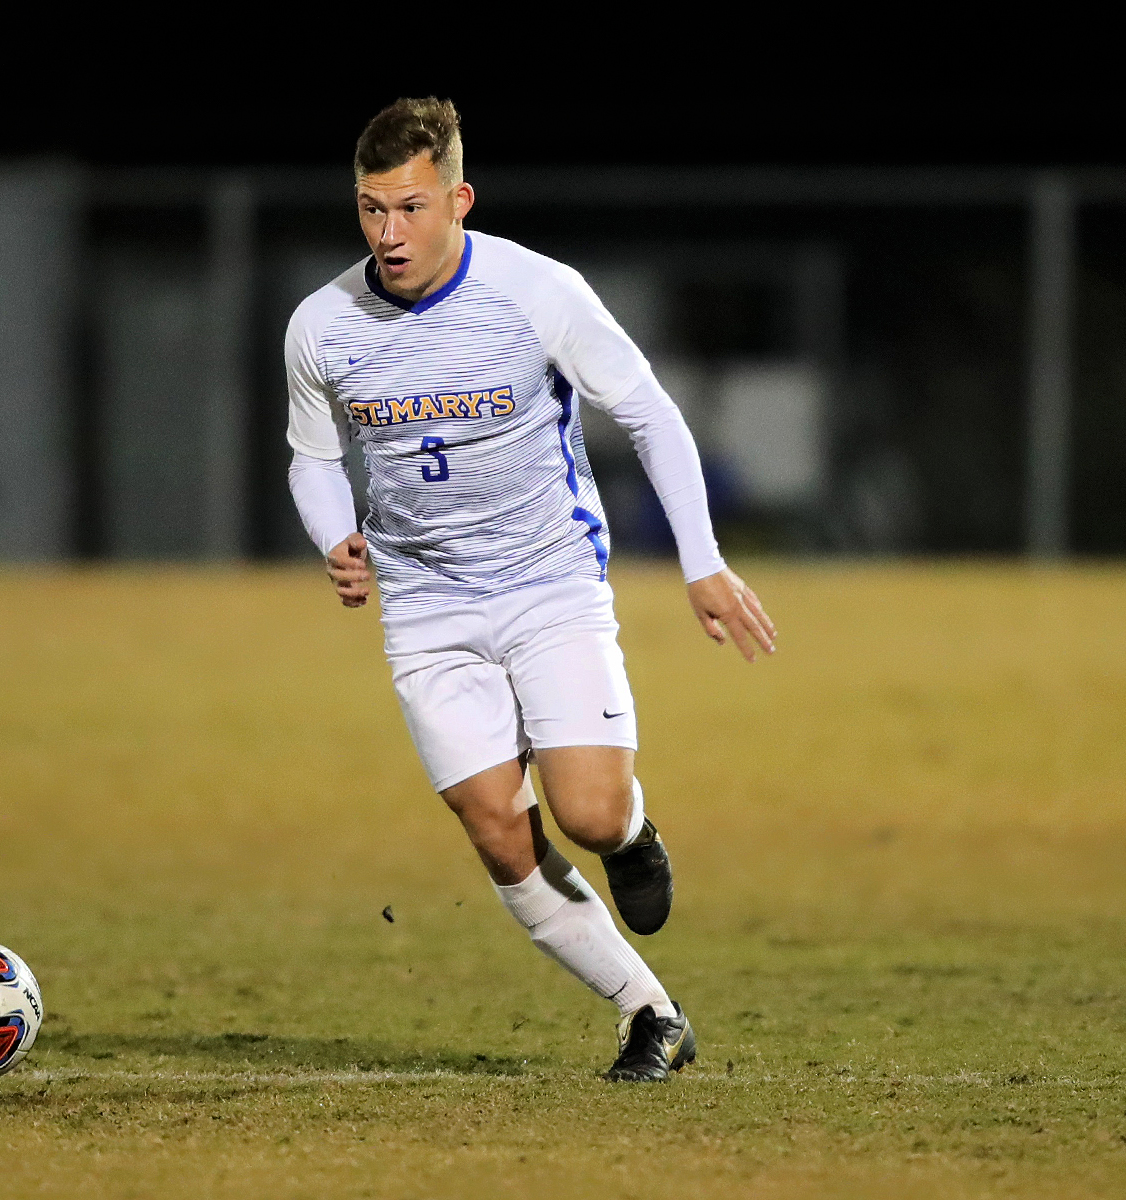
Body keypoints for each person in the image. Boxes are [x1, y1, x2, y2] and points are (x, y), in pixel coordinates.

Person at [284, 98, 777, 1081]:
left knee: (587, 815)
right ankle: (652, 1015)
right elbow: (311, 456)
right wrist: (333, 533)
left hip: (550, 583)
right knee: (498, 832)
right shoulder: (321, 325)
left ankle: (631, 836)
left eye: (412, 208)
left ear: (459, 199)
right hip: (427, 608)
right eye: (372, 210)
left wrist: (702, 561)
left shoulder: (537, 292)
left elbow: (649, 414)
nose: (389, 233)